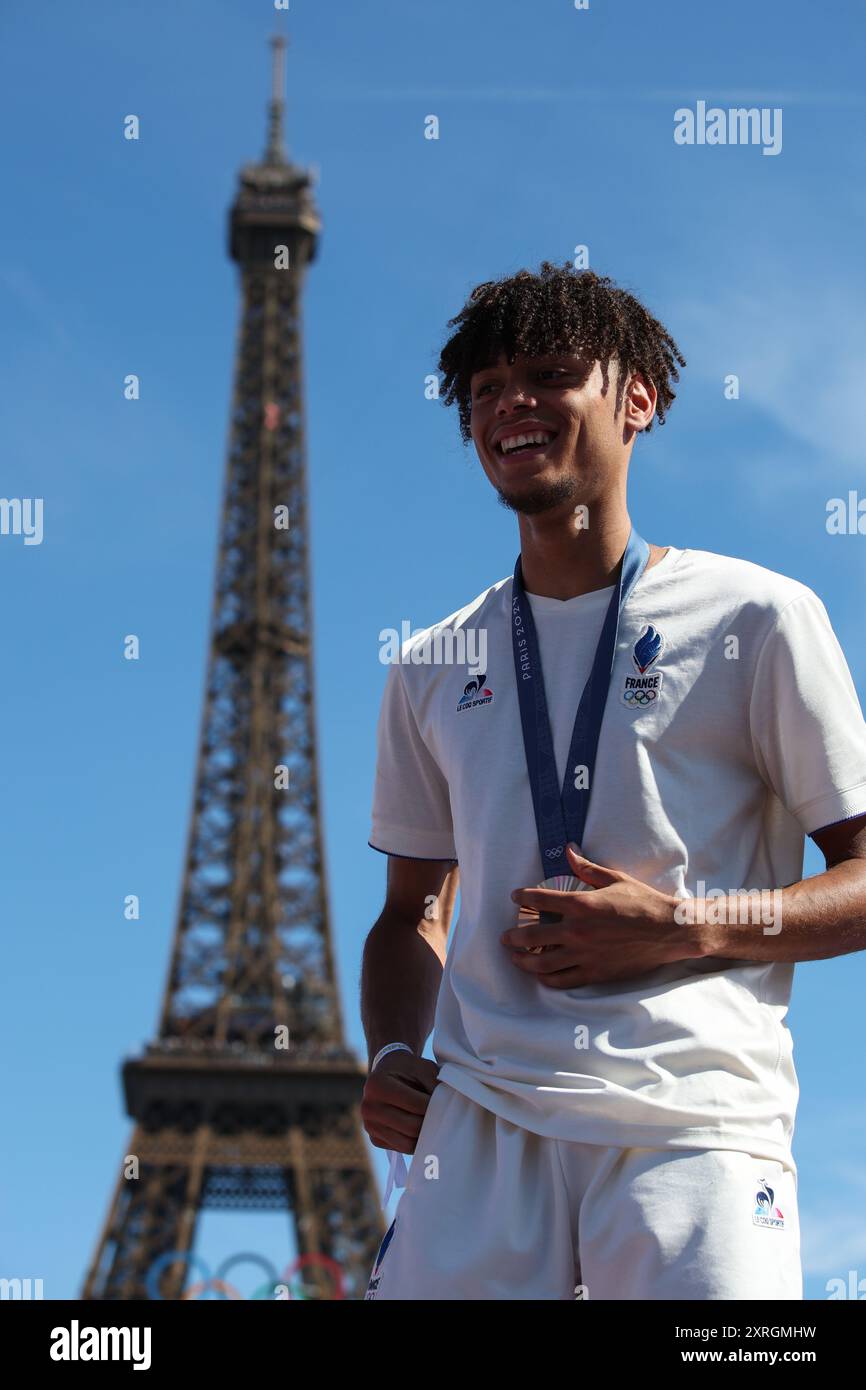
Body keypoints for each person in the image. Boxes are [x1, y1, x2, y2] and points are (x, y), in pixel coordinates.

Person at [360, 262, 866, 1300]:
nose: (511, 402)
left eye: (550, 373)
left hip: (692, 1128)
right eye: (486, 385)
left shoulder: (756, 618)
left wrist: (683, 925)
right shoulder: (428, 662)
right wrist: (387, 1050)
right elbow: (411, 909)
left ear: (637, 399)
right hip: (480, 1129)